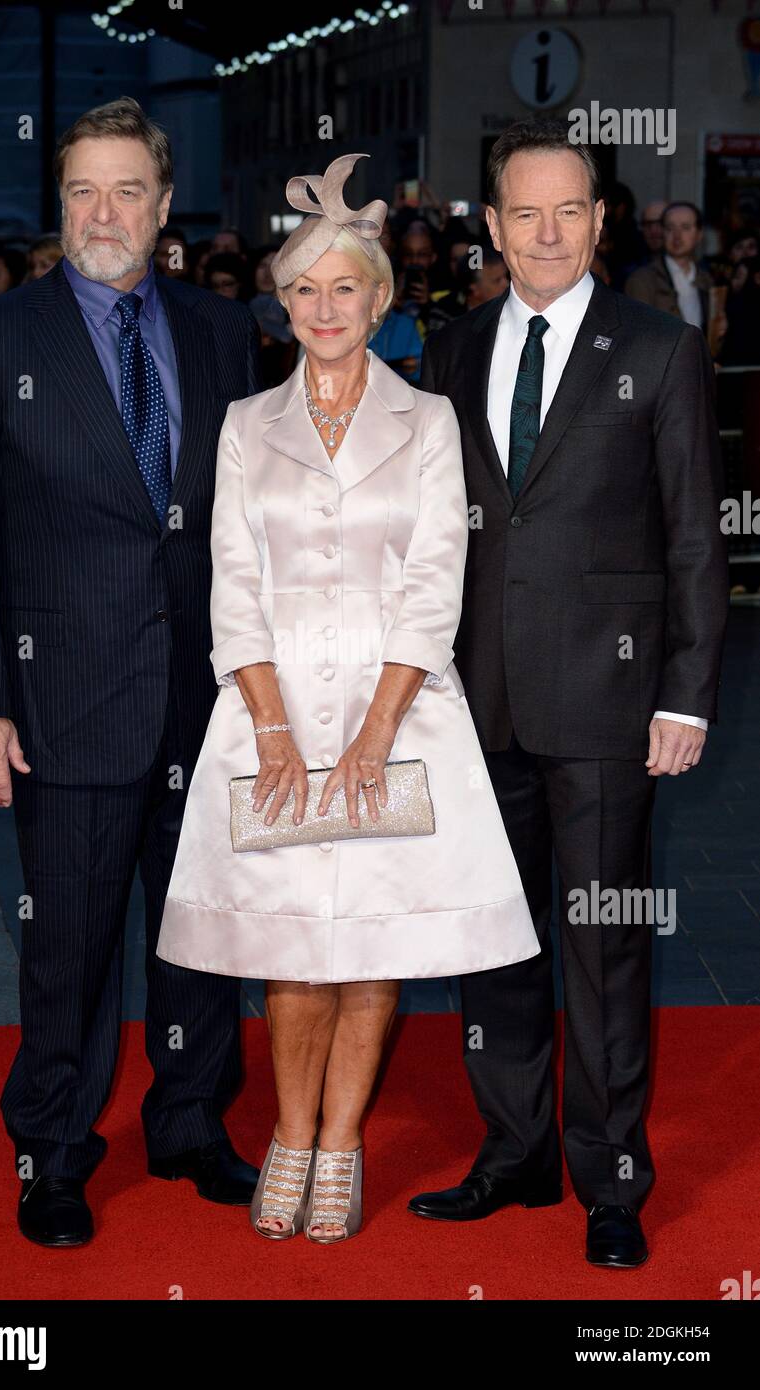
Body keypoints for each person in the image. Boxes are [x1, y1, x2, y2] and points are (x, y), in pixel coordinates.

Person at [156, 152, 540, 1245]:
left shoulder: (426, 423)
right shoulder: (242, 424)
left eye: (347, 287)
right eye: (305, 289)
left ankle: (341, 1141)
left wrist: (374, 734)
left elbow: (434, 585)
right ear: (281, 306)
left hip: (401, 707)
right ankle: (287, 1133)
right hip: (267, 708)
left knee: (369, 945)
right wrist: (273, 726)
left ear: (380, 300)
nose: (327, 308)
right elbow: (231, 580)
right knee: (289, 951)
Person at [0, 96, 262, 1249]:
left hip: (207, 696)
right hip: (61, 695)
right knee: (67, 945)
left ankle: (187, 1122)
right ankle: (55, 1148)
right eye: (83, 189)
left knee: (202, 933)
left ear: (166, 208)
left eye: (128, 189)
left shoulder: (221, 333)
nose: (104, 210)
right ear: (58, 202)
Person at [410, 117, 729, 1268]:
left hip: (609, 704)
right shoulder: (448, 351)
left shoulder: (659, 347)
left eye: (568, 211)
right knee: (493, 941)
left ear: (600, 222)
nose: (545, 233)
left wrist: (685, 694)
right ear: (490, 228)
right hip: (474, 700)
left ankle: (611, 1179)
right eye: (522, 214)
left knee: (603, 951)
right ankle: (513, 1154)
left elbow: (696, 537)